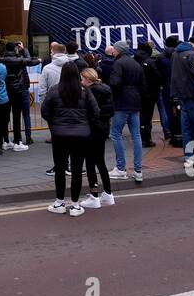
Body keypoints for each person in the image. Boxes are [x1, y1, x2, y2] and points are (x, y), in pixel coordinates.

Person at [41, 61, 98, 216]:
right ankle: (75, 205)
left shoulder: (54, 90)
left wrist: (54, 125)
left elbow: (45, 111)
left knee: (59, 168)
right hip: (81, 135)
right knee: (77, 170)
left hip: (59, 135)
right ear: (77, 74)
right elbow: (95, 112)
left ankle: (59, 202)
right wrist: (86, 125)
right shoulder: (85, 91)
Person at [106, 43, 146, 183]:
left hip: (122, 102)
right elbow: (143, 85)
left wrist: (110, 82)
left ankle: (121, 168)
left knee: (116, 134)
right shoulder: (136, 64)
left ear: (117, 50)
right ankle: (138, 170)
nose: (113, 52)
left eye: (114, 49)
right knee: (136, 135)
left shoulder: (118, 63)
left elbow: (115, 83)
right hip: (135, 101)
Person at [79, 67, 116, 208]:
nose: (81, 81)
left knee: (90, 163)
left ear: (88, 79)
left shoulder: (89, 92)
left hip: (92, 131)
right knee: (100, 162)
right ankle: (108, 193)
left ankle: (94, 196)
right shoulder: (106, 90)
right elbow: (110, 111)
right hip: (103, 130)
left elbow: (88, 112)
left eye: (82, 79)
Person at [169, 37, 194, 170]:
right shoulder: (192, 55)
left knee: (186, 127)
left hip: (181, 95)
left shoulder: (175, 54)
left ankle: (189, 156)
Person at [0, 41, 37, 150]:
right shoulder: (19, 60)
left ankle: (5, 140)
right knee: (16, 116)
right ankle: (17, 141)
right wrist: (24, 49)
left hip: (6, 90)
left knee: (5, 116)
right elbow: (30, 60)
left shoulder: (1, 60)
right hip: (18, 90)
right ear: (15, 48)